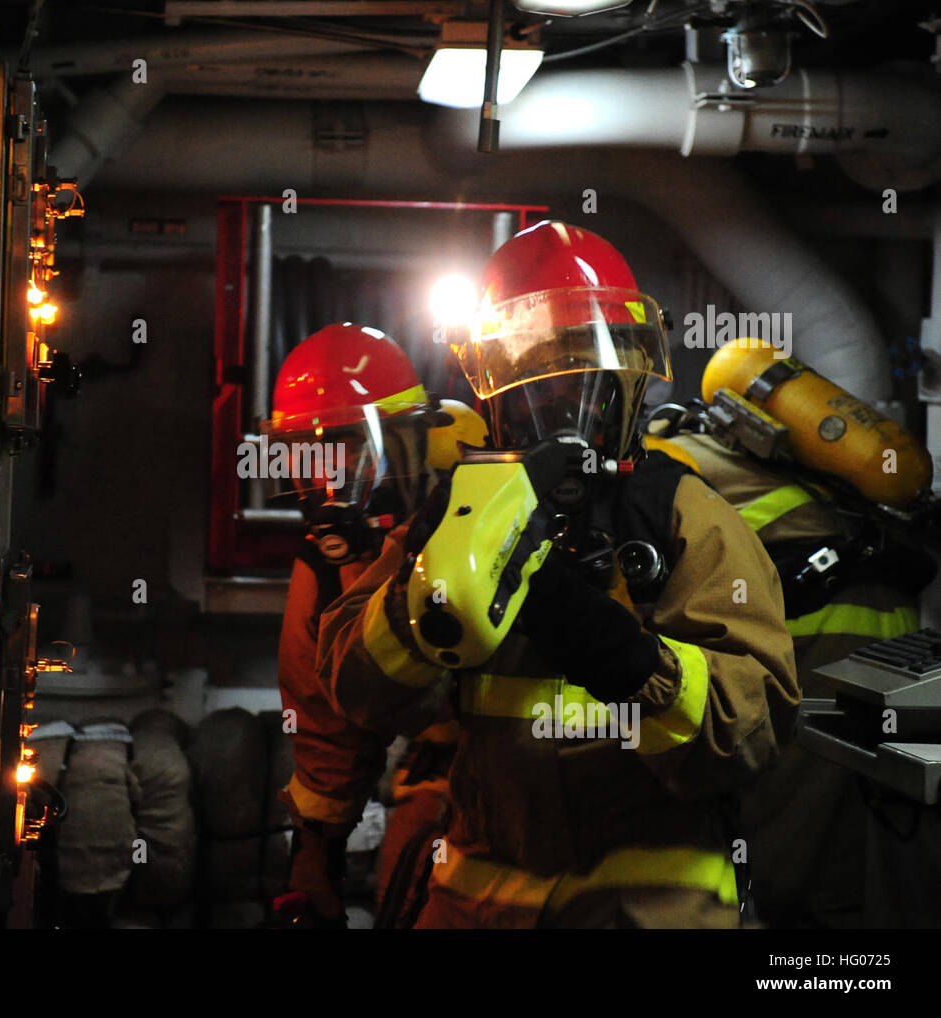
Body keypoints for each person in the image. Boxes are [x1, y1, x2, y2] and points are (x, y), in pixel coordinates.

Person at [315, 221, 801, 928]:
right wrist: (434, 584)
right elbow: (355, 692)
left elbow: (750, 734)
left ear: (625, 385)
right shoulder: (460, 515)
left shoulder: (678, 514)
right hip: (480, 897)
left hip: (652, 899)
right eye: (533, 385)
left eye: (582, 380)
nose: (559, 411)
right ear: (495, 395)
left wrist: (625, 658)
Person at [646, 341, 936, 927]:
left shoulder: (661, 474)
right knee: (867, 873)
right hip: (892, 670)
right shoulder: (792, 467)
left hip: (808, 682)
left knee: (780, 878)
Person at [261, 322, 484, 926]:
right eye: (312, 454)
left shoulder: (484, 510)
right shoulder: (328, 565)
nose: (331, 478)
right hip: (437, 784)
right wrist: (313, 862)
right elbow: (324, 724)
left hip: (544, 780)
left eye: (353, 446)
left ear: (412, 443)